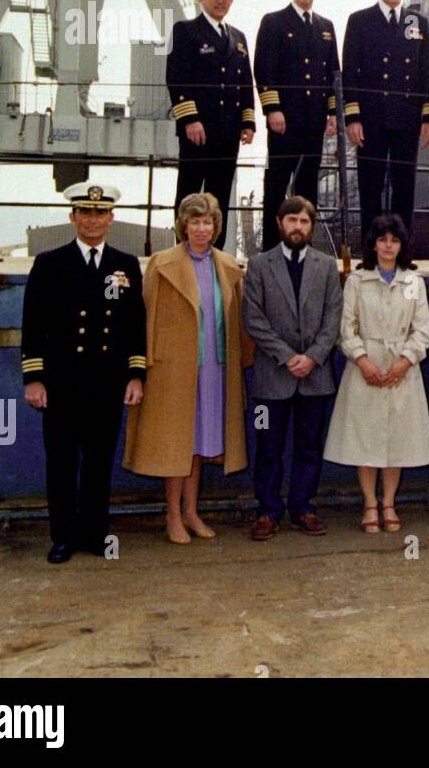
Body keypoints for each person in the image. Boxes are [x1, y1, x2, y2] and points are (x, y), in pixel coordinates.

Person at [21, 183, 146, 564]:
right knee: (61, 463)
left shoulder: (125, 265)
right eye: (85, 213)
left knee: (98, 463)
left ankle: (95, 534)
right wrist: (34, 378)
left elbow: (133, 324)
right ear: (72, 217)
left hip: (106, 383)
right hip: (60, 383)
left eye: (100, 213)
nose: (92, 221)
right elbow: (33, 324)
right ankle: (62, 537)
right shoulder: (50, 263)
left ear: (111, 218)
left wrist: (136, 374)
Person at [123, 193, 251, 544]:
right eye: (194, 222)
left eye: (207, 222)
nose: (200, 229)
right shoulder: (162, 263)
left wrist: (242, 365)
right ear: (183, 225)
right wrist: (144, 367)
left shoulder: (227, 266)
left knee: (199, 443)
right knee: (175, 444)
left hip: (214, 368)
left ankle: (192, 511)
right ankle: (173, 515)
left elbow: (238, 322)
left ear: (215, 226)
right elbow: (146, 316)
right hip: (173, 369)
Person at [324, 214, 429, 533]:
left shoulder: (414, 283)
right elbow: (346, 327)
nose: (388, 246)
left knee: (397, 439)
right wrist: (361, 360)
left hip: (402, 369)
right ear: (373, 244)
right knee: (366, 438)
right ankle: (369, 504)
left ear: (402, 246)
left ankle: (389, 502)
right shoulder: (358, 281)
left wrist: (404, 360)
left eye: (395, 240)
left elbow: (422, 330)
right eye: (383, 240)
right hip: (366, 369)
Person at [241, 196, 344, 540]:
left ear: (311, 226)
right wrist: (287, 357)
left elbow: (333, 318)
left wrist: (313, 357)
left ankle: (303, 507)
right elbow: (253, 320)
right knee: (267, 445)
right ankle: (268, 510)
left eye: (304, 221)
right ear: (279, 223)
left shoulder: (327, 266)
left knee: (308, 445)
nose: (297, 227)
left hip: (315, 377)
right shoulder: (258, 265)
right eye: (292, 220)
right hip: (271, 379)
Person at [341, 0, 429, 234]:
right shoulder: (360, 21)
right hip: (371, 118)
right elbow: (351, 73)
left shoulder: (416, 21)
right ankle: (372, 250)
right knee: (370, 184)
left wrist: (427, 117)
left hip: (406, 118)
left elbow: (425, 72)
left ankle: (401, 248)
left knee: (404, 185)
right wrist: (353, 117)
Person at [166, 0, 256, 248]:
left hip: (227, 131)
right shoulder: (186, 31)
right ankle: (182, 250)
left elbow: (245, 82)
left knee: (219, 197)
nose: (221, 0)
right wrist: (190, 119)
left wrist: (248, 122)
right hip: (199, 129)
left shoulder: (238, 37)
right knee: (189, 194)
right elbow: (177, 77)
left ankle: (215, 253)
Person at [255, 0, 340, 251]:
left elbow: (333, 75)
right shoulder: (274, 22)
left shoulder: (326, 28)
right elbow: (264, 69)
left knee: (307, 189)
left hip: (313, 121)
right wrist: (272, 109)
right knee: (277, 186)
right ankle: (269, 248)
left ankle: (304, 249)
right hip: (285, 120)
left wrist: (331, 113)